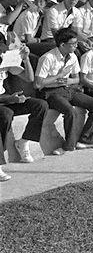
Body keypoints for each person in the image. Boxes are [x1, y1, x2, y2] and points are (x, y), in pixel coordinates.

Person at [34, 28, 93, 154]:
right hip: (50, 92)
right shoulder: (47, 58)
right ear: (62, 45)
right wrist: (58, 76)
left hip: (67, 89)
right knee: (70, 111)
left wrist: (69, 81)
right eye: (73, 43)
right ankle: (68, 146)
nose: (76, 46)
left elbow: (77, 79)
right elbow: (38, 84)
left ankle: (87, 140)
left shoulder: (72, 56)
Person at [0, 42, 48, 181]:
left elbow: (29, 78)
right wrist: (11, 99)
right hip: (5, 100)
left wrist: (26, 59)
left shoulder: (5, 60)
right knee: (6, 115)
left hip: (6, 98)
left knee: (40, 105)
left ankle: (24, 141)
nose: (2, 55)